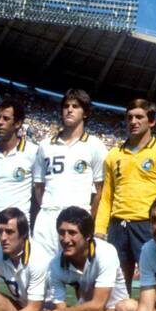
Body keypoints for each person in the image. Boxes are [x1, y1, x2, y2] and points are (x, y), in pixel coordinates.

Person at [95, 97, 156, 285]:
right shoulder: (114, 155)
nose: (133, 122)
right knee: (117, 285)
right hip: (117, 226)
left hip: (147, 225)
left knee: (153, 285)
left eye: (139, 117)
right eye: (129, 117)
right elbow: (107, 196)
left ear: (152, 121)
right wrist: (99, 229)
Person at [32, 89, 107, 268]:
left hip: (77, 218)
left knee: (79, 275)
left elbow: (100, 190)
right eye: (66, 106)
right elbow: (38, 186)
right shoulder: (44, 145)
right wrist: (48, 206)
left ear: (85, 113)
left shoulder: (95, 146)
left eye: (75, 106)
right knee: (40, 271)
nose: (69, 110)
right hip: (47, 217)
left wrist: (88, 219)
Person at [0, 99, 38, 254]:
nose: (0, 122)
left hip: (17, 228)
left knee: (17, 277)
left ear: (17, 123)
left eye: (6, 118)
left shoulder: (33, 152)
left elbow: (39, 189)